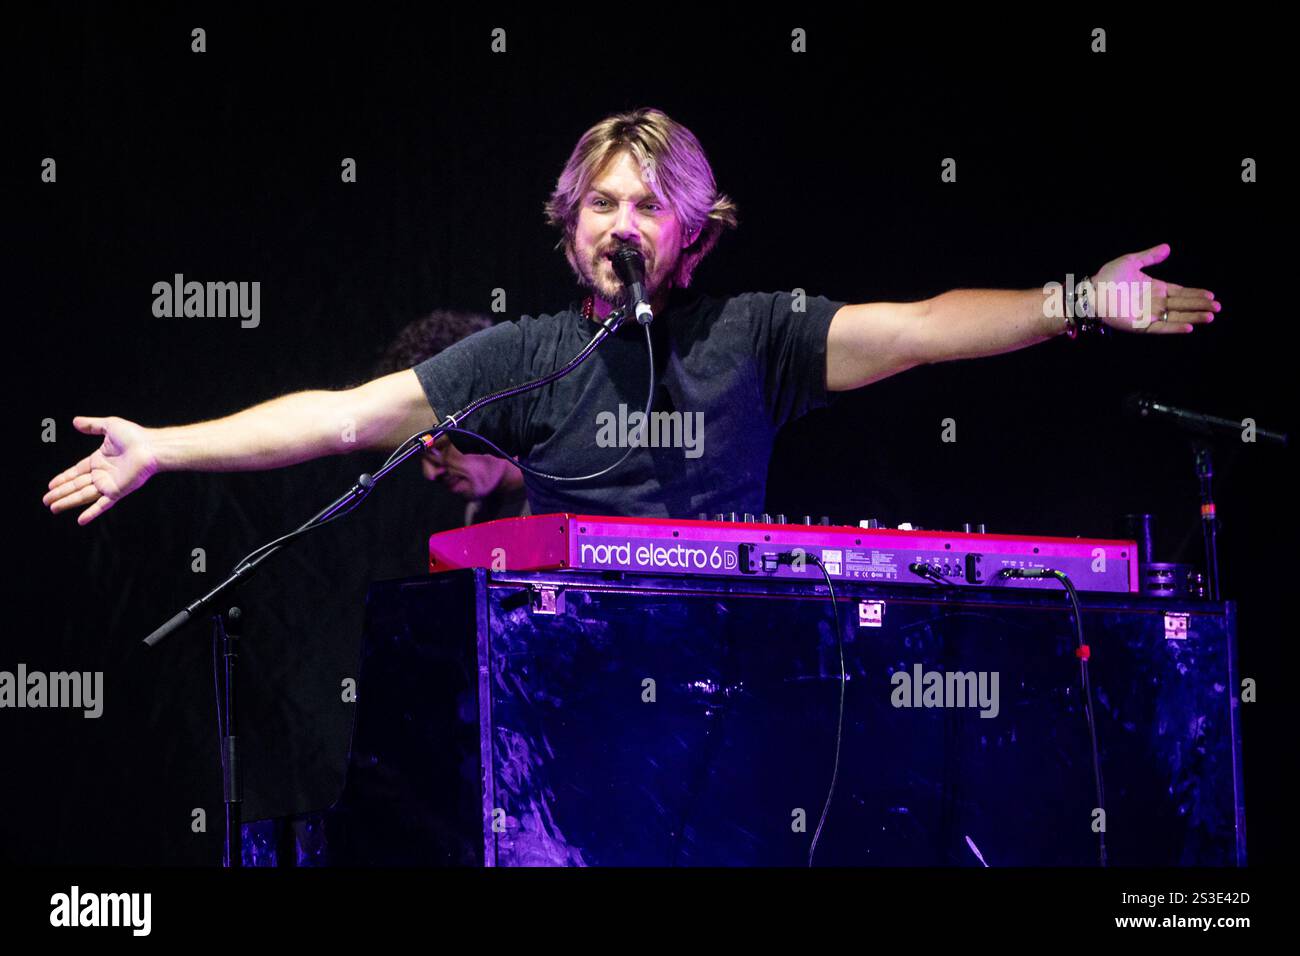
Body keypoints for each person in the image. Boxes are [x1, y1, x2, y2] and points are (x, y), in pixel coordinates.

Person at [44, 107, 1220, 525]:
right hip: (572, 689)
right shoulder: (526, 355)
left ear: (692, 232)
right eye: (599, 201)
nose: (623, 219)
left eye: (648, 203)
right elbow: (345, 417)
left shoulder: (753, 334)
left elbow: (921, 324)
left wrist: (1074, 300)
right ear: (567, 228)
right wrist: (163, 444)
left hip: (739, 668)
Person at [375, 310, 528, 525]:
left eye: (439, 446)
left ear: (489, 405)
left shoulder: (573, 498)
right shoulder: (476, 514)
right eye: (420, 455)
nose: (429, 473)